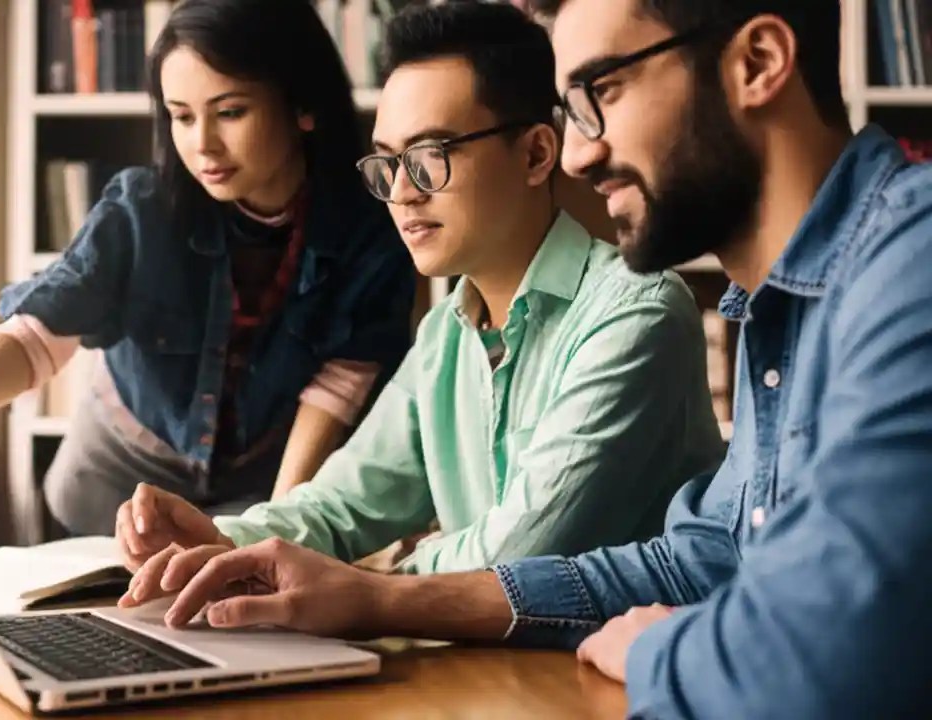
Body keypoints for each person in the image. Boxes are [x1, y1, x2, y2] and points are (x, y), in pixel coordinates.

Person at [115, 0, 932, 717]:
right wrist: (250, 554)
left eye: (601, 93)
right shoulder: (771, 309)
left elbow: (830, 661)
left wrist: (653, 650)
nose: (583, 154)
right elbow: (708, 557)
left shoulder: (910, 259)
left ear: (757, 63)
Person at [113, 1, 722, 586]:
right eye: (386, 163)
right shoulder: (445, 334)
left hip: (615, 678)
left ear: (537, 152)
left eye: (430, 156)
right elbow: (341, 505)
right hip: (487, 677)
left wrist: (357, 580)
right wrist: (218, 544)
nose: (402, 192)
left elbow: (518, 553)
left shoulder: (636, 315)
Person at [0, 0, 416, 535]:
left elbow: (335, 392)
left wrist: (278, 528)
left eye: (230, 112)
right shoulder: (141, 209)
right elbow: (42, 330)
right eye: (181, 116)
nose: (202, 144)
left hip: (259, 485)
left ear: (303, 106)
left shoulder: (372, 232)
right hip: (111, 481)